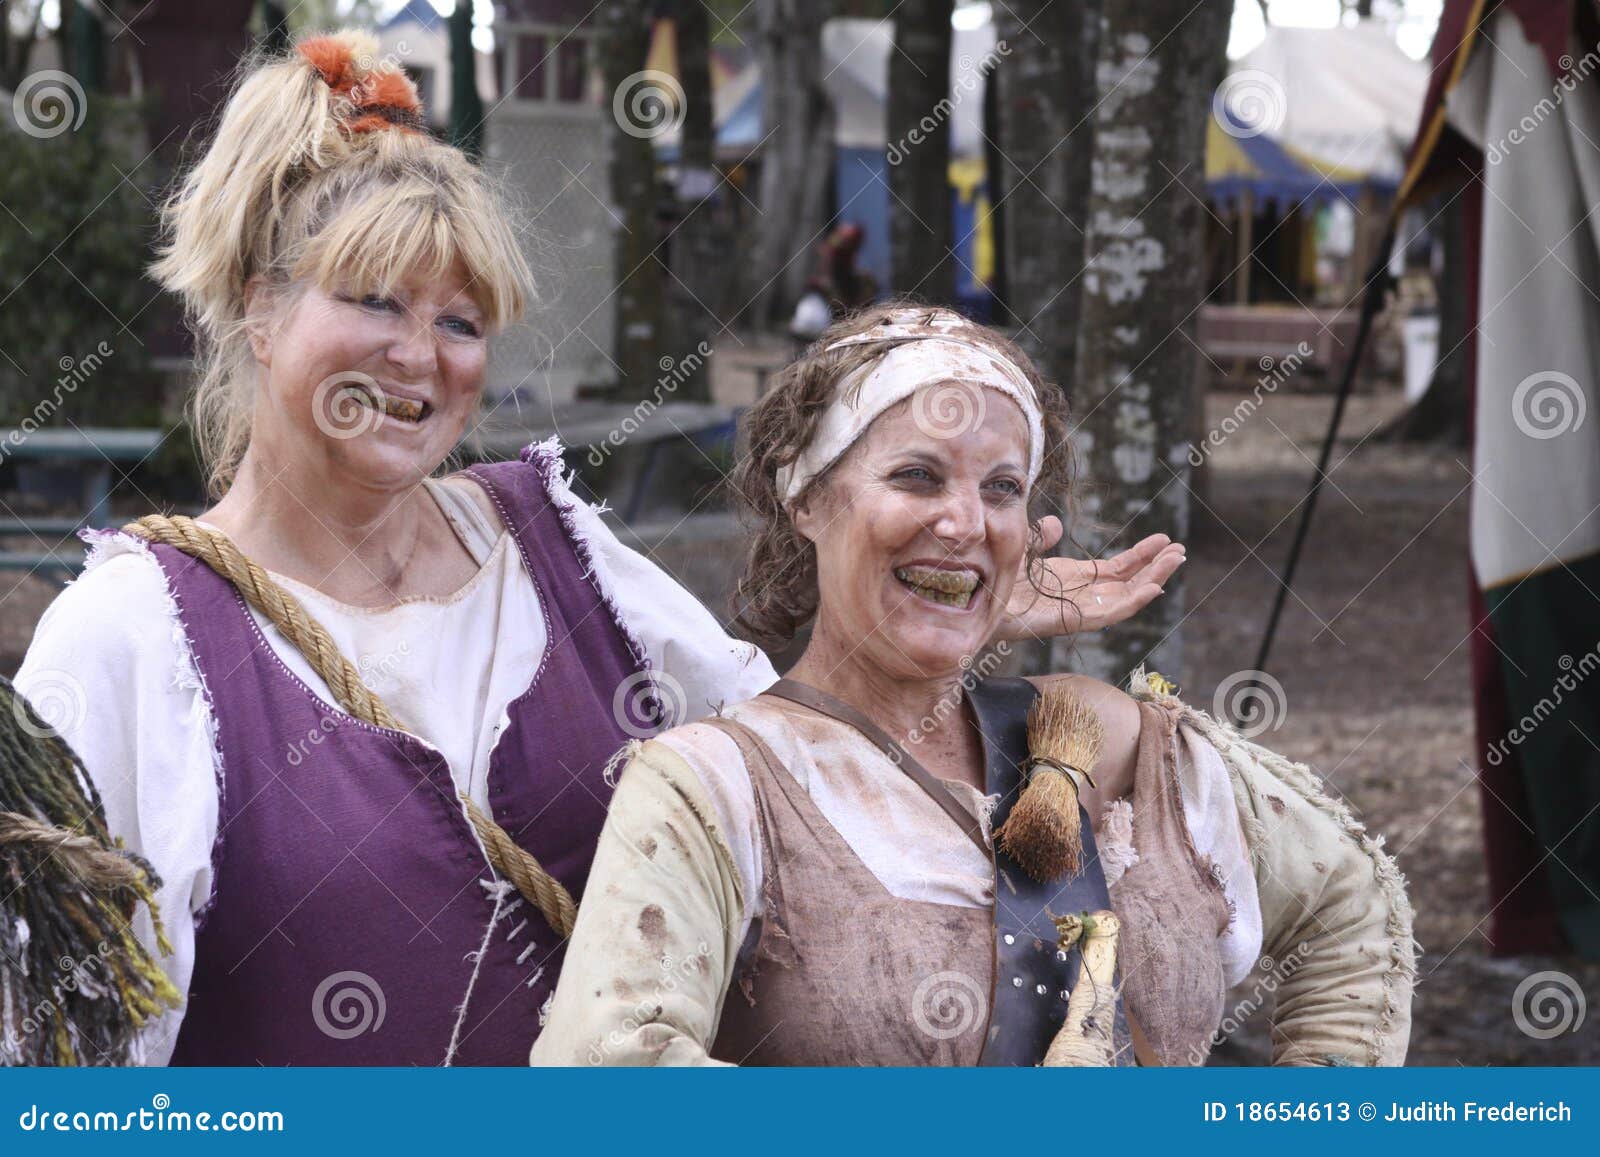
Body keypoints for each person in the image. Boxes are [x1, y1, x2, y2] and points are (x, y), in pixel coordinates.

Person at [12, 34, 1181, 1067]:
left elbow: (789, 752)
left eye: (460, 321)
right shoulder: (133, 637)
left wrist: (929, 597)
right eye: (373, 301)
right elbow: (54, 1040)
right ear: (258, 312)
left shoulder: (555, 551)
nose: (421, 357)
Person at [532, 304, 1419, 1068]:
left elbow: (1354, 906)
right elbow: (605, 1078)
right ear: (805, 496)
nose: (963, 522)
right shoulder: (717, 786)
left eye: (1001, 490)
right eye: (917, 476)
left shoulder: (1105, 741)